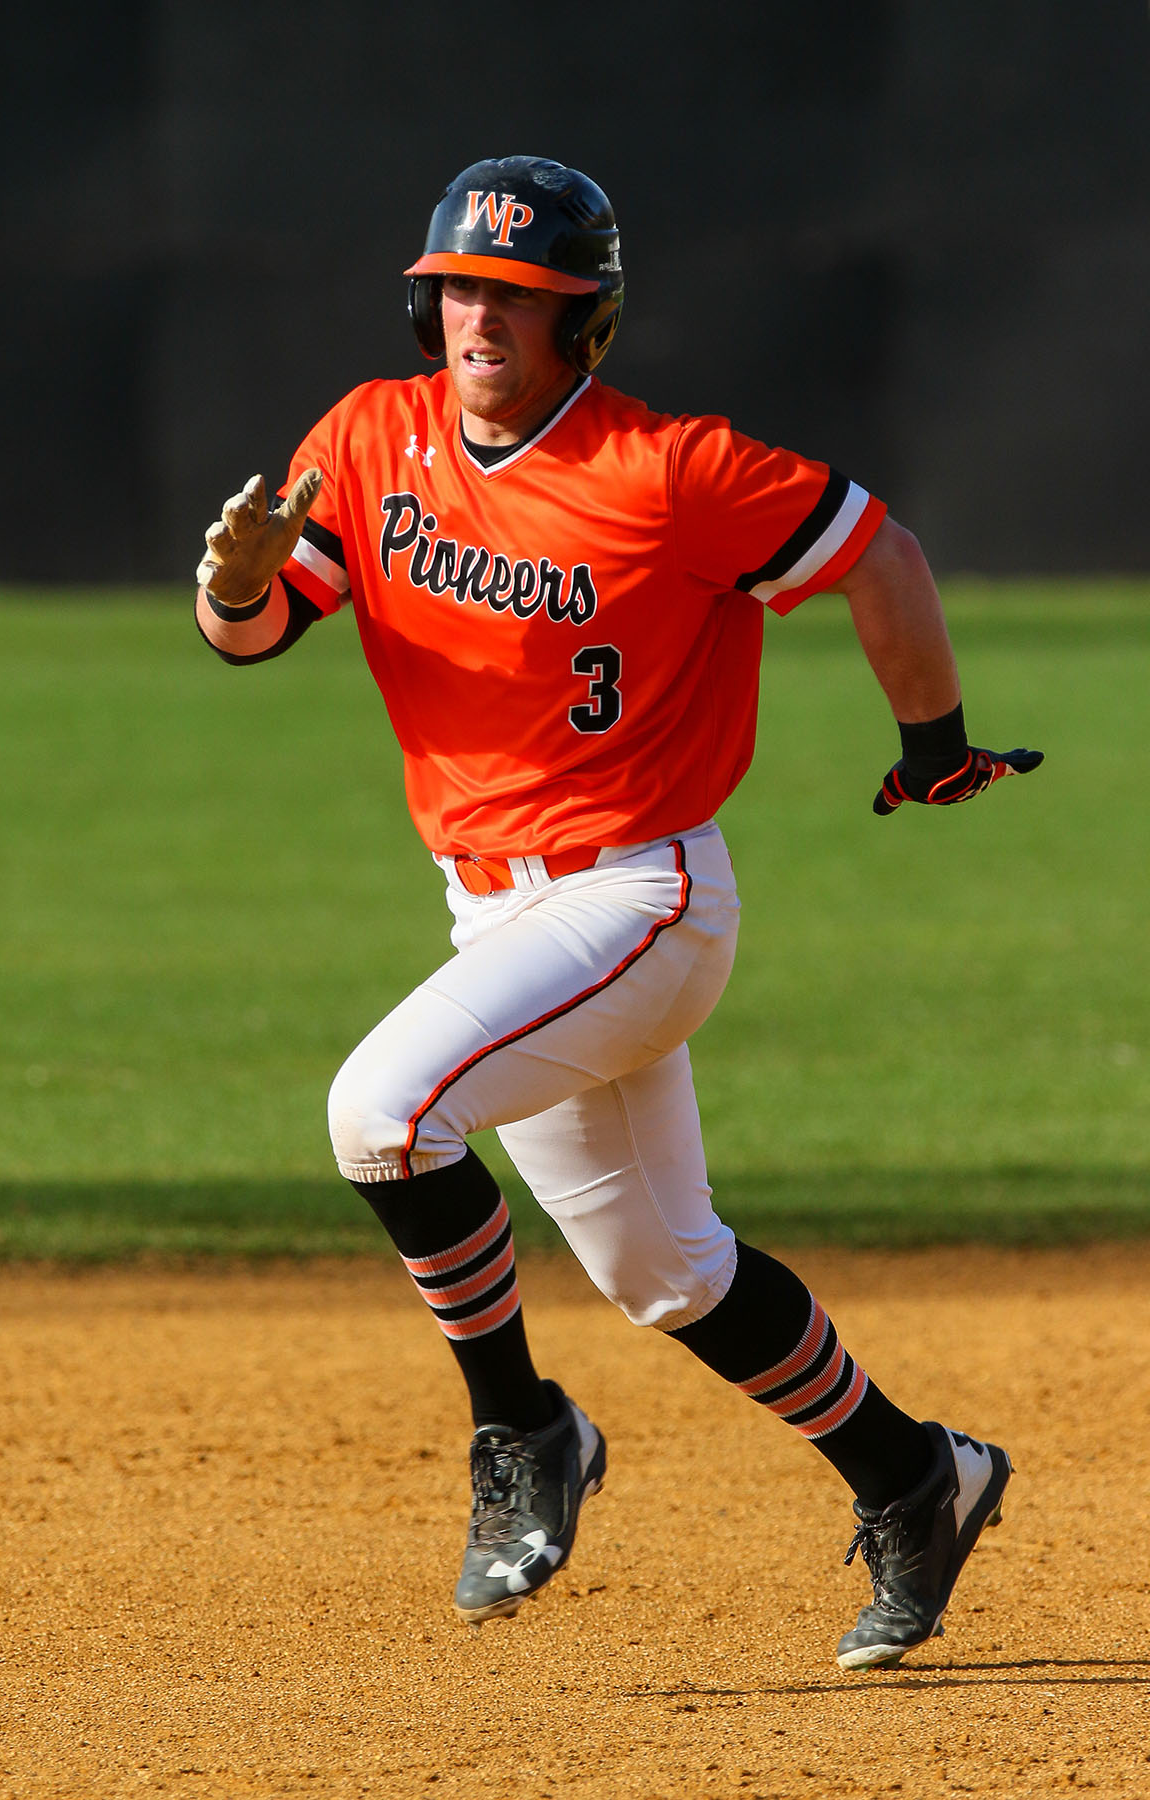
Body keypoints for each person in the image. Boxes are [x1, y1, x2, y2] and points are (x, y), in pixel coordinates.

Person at [194, 156, 1042, 1671]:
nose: (483, 317)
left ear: (585, 319)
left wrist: (936, 747)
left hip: (640, 898)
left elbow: (880, 552)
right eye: (462, 288)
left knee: (384, 1116)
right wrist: (235, 589)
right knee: (669, 1273)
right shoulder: (371, 438)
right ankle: (919, 1476)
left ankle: (525, 1429)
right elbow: (251, 637)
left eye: (520, 297)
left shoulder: (670, 469)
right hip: (498, 917)